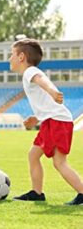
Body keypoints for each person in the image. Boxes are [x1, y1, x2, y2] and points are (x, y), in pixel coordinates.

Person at [9, 38, 83, 205]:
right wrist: (36, 118)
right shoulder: (29, 73)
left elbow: (43, 81)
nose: (9, 59)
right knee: (33, 155)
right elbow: (44, 103)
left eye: (11, 54)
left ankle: (82, 192)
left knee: (59, 162)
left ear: (21, 57)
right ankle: (37, 192)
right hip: (50, 121)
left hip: (58, 121)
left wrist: (52, 91)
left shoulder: (30, 71)